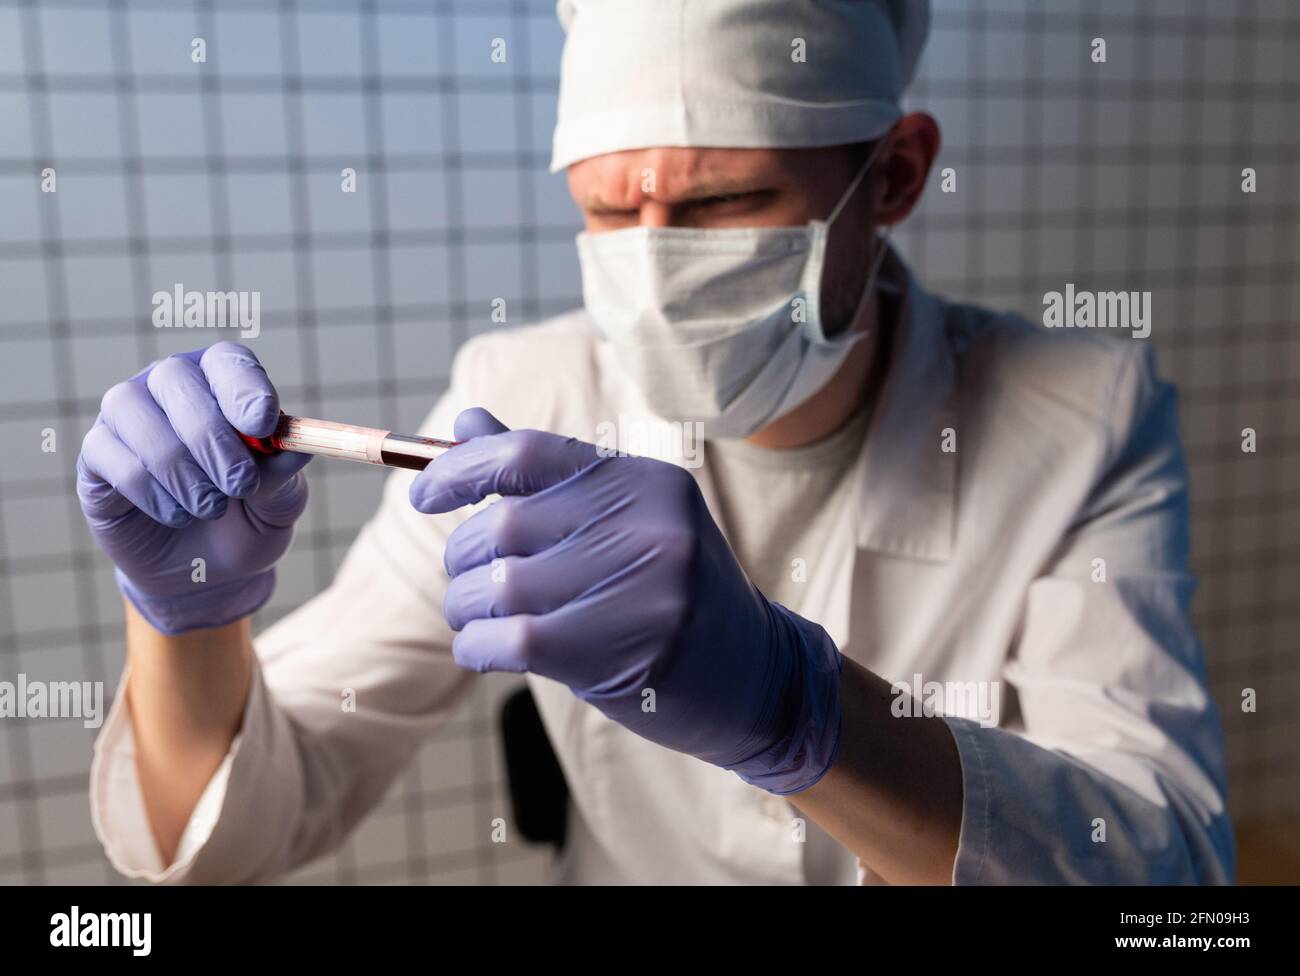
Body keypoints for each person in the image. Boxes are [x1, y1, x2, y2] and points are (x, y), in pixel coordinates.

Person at [77, 0, 1233, 884]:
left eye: (723, 203)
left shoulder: (1083, 414)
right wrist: (187, 618)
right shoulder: (518, 393)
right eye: (608, 209)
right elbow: (241, 819)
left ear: (893, 175)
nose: (652, 263)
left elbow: (1167, 873)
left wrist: (803, 713)